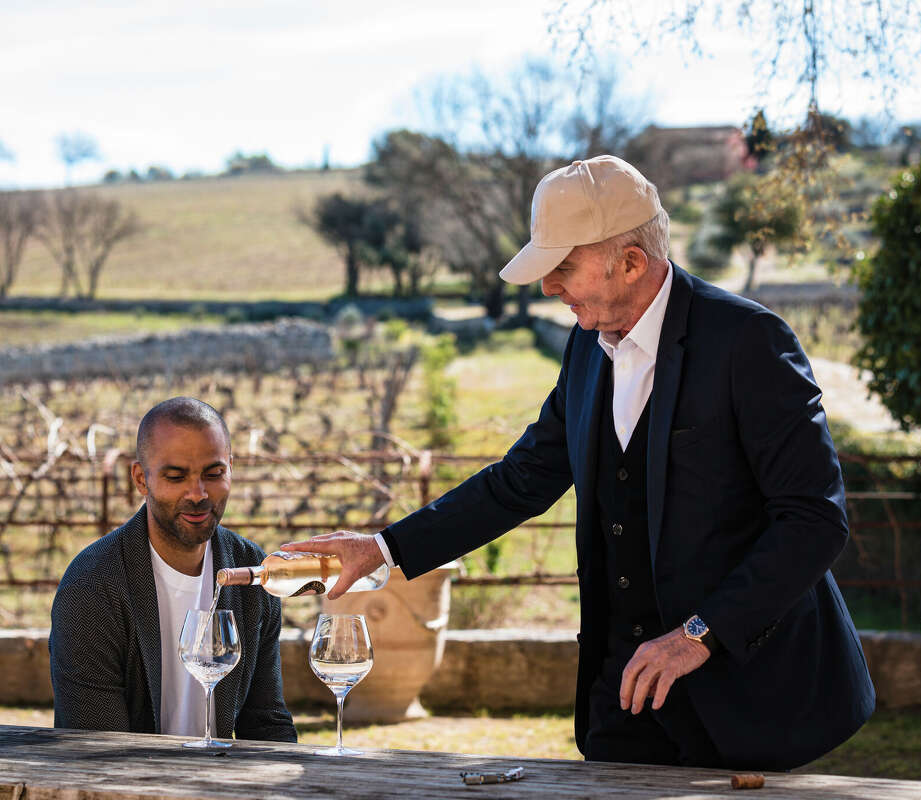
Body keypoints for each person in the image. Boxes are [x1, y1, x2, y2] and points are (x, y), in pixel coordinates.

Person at [284, 156, 874, 771]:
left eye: (562, 268)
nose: (548, 287)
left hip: (749, 696)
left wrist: (700, 635)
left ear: (631, 262)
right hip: (623, 700)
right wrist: (384, 549)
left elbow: (814, 521)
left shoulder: (750, 342)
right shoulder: (586, 347)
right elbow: (519, 482)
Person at [50, 397, 296, 742]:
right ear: (141, 478)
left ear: (231, 469)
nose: (197, 494)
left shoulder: (250, 570)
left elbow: (267, 722)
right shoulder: (92, 585)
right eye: (176, 476)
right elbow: (95, 745)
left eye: (213, 474)